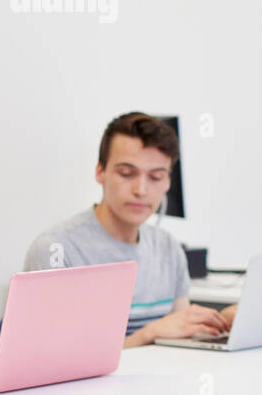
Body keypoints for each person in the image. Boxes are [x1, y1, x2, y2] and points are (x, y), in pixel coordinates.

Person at [21, 112, 234, 347]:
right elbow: (52, 357)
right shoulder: (57, 250)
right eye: (126, 174)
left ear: (168, 183)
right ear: (100, 172)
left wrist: (222, 322)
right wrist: (147, 334)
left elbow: (180, 334)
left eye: (155, 177)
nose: (141, 190)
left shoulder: (168, 247)